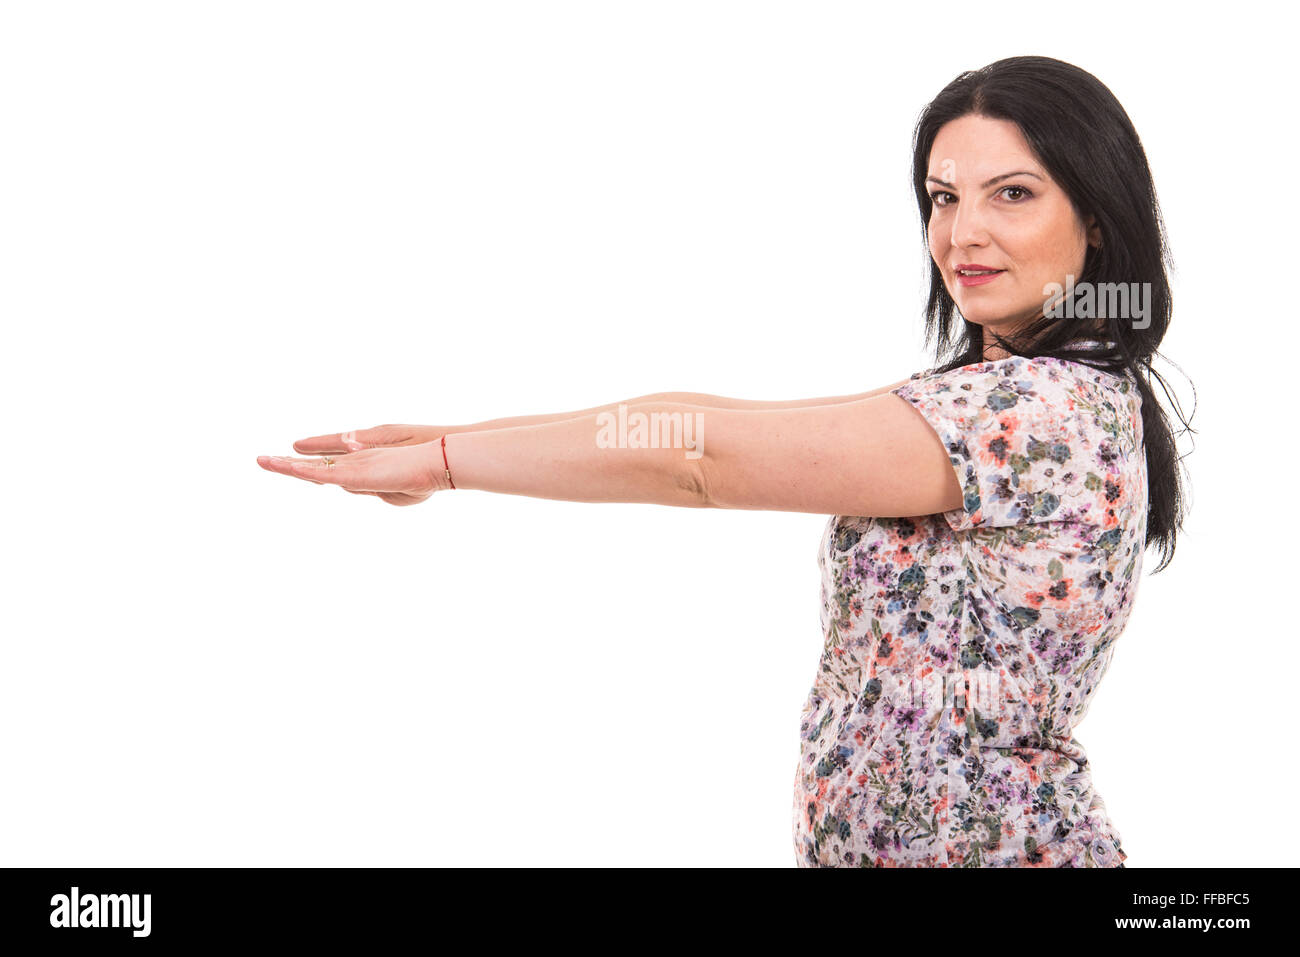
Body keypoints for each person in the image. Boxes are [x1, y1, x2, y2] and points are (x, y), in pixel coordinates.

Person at [256, 55, 1191, 867]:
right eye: (945, 197)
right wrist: (447, 440)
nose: (962, 232)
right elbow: (696, 423)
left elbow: (695, 461)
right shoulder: (986, 399)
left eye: (1013, 193)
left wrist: (451, 464)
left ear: (1097, 220)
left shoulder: (1038, 414)